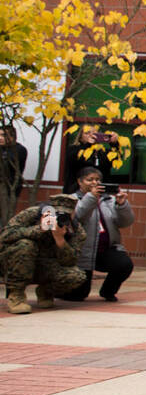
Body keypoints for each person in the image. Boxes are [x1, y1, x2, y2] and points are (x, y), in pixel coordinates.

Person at [2, 194, 86, 313]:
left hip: (45, 265)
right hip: (14, 262)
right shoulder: (32, 214)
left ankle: (46, 291)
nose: (60, 218)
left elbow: (70, 262)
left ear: (73, 214)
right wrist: (39, 229)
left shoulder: (76, 230)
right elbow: (5, 236)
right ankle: (16, 294)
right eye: (57, 214)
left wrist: (60, 240)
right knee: (25, 245)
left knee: (76, 276)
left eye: (66, 215)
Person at [63, 167, 136, 302]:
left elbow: (125, 222)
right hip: (82, 253)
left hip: (106, 250)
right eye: (89, 180)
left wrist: (122, 205)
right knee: (78, 295)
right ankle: (51, 291)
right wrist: (91, 196)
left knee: (124, 264)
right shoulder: (71, 199)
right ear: (80, 182)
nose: (94, 183)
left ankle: (108, 291)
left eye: (97, 180)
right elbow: (78, 216)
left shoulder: (108, 200)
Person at [62, 125, 113, 194]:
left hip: (97, 191)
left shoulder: (102, 151)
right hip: (76, 190)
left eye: (94, 133)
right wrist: (87, 145)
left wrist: (114, 144)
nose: (91, 136)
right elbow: (73, 161)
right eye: (87, 133)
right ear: (80, 136)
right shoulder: (74, 148)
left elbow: (109, 165)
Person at [0, 125, 29, 226]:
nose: (0, 138)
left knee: (6, 218)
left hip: (9, 189)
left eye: (3, 135)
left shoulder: (19, 150)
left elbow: (8, 165)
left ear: (12, 137)